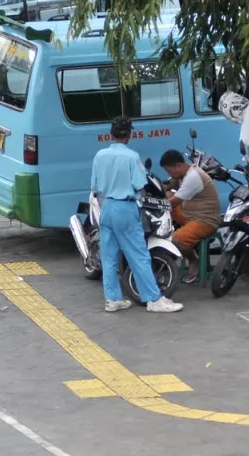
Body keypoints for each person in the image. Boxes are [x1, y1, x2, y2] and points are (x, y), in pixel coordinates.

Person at [91, 117, 184, 314]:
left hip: (106, 207)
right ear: (129, 135)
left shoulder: (100, 155)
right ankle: (154, 299)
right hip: (125, 208)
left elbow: (96, 187)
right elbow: (141, 186)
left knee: (109, 257)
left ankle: (113, 299)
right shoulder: (132, 157)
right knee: (139, 255)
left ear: (111, 134)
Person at [160, 149, 221, 283]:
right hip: (189, 215)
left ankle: (194, 260)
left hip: (205, 221)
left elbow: (173, 202)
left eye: (170, 171)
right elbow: (167, 188)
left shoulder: (193, 177)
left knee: (176, 239)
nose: (170, 175)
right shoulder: (184, 174)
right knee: (168, 195)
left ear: (178, 166)